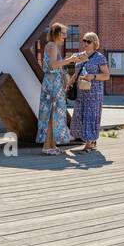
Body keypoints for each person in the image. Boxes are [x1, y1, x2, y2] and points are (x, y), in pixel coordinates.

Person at [36, 23, 85, 155]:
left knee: (54, 113)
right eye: (63, 33)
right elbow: (53, 65)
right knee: (52, 114)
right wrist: (70, 59)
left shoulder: (53, 46)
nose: (65, 36)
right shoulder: (52, 46)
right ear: (56, 34)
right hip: (52, 83)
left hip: (53, 82)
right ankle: (47, 147)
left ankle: (51, 145)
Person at [69, 32, 110, 152]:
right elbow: (76, 74)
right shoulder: (79, 56)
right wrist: (69, 84)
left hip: (94, 93)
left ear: (94, 43)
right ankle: (91, 140)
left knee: (91, 116)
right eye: (84, 40)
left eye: (88, 41)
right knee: (81, 116)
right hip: (81, 92)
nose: (85, 43)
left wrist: (94, 76)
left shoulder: (99, 57)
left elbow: (107, 75)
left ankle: (88, 144)